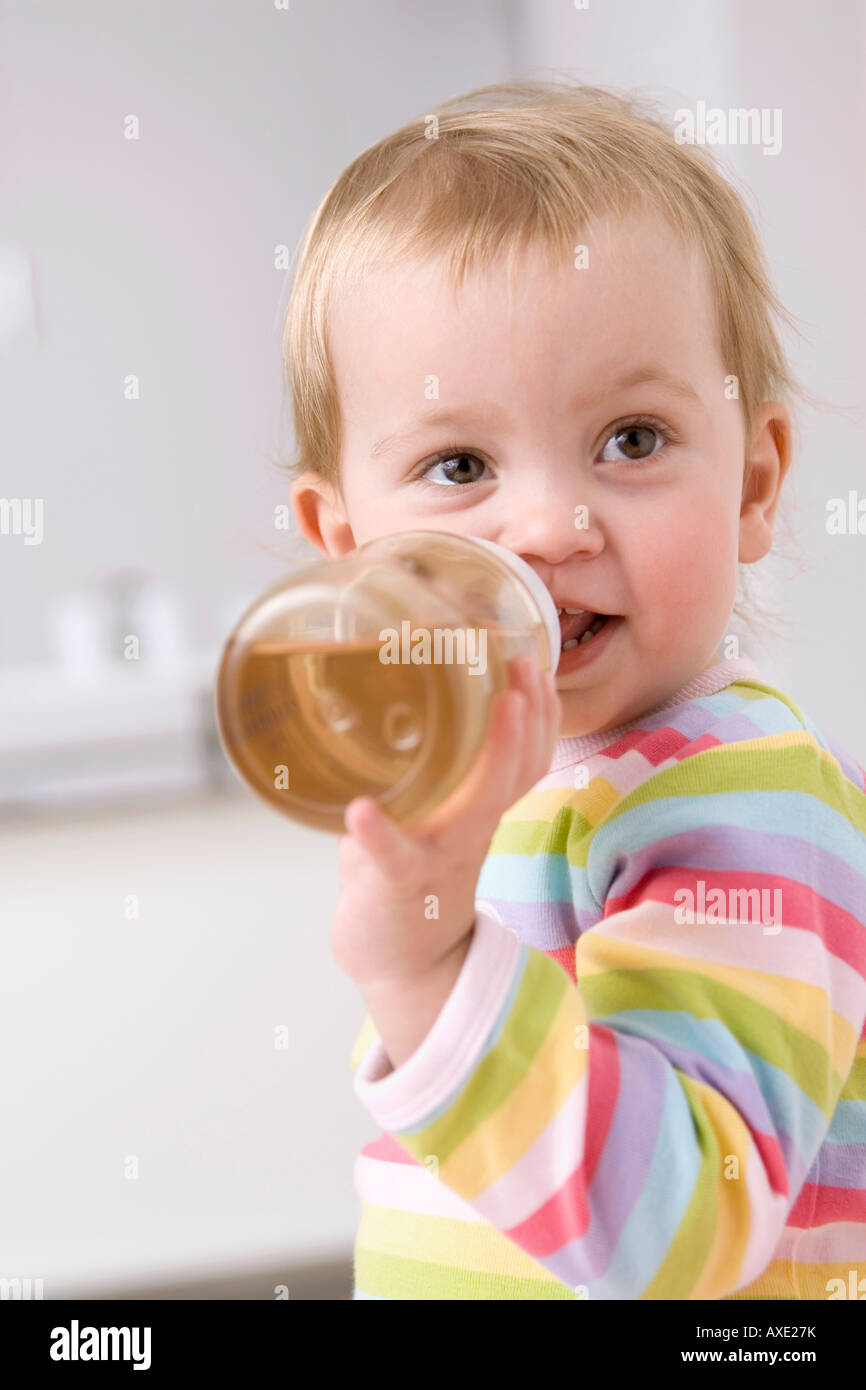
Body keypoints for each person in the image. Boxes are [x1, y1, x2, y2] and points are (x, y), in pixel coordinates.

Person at [284, 79, 866, 1300]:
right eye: (458, 464)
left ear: (754, 485)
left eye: (632, 439)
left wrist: (430, 979)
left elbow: (683, 1238)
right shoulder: (512, 789)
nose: (547, 525)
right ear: (345, 548)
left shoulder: (740, 801)